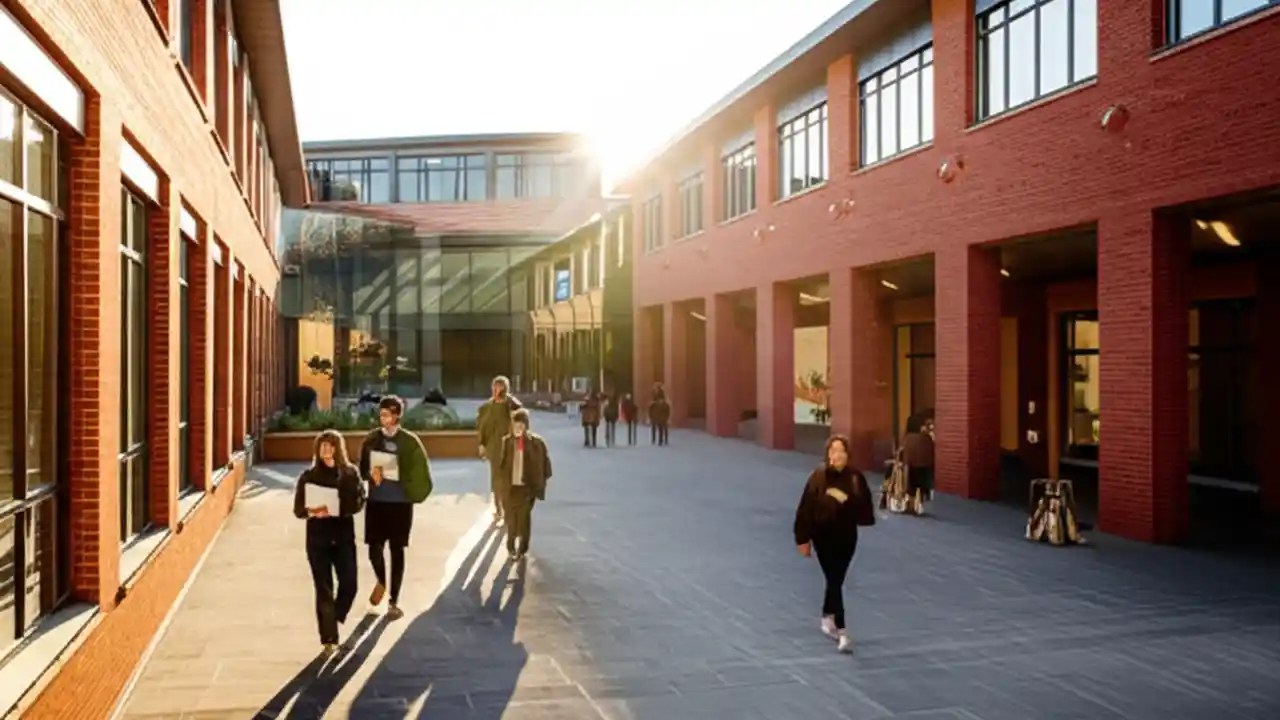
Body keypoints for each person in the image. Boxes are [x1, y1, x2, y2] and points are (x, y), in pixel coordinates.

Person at [794, 435, 875, 654]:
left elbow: (867, 516)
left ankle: (826, 614)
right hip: (822, 536)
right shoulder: (818, 477)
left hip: (847, 537)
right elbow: (805, 510)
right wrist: (802, 539)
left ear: (848, 455)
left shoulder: (856, 478)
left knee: (836, 579)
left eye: (841, 451)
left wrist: (846, 500)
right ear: (828, 454)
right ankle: (842, 629)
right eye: (833, 451)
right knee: (834, 578)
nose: (837, 455)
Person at [360, 395, 434, 620]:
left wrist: (402, 477)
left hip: (400, 504)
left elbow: (419, 472)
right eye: (381, 414)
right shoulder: (371, 439)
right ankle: (381, 581)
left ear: (397, 415)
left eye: (387, 414)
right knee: (374, 547)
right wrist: (369, 474)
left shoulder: (410, 442)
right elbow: (361, 467)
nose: (383, 418)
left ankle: (394, 599)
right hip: (376, 502)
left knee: (397, 550)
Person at [293, 430, 366, 654]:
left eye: (330, 446)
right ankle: (329, 639)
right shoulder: (308, 477)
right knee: (323, 589)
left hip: (343, 538)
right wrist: (312, 511)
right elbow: (298, 510)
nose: (326, 450)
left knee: (350, 584)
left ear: (338, 449)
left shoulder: (350, 474)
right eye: (322, 446)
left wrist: (336, 510)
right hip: (318, 540)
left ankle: (334, 616)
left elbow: (359, 502)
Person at [498, 409, 552, 561]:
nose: (518, 429)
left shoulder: (536, 443)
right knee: (511, 520)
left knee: (524, 519)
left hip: (526, 488)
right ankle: (510, 546)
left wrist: (539, 483)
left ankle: (522, 549)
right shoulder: (507, 442)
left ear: (526, 426)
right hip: (510, 487)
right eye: (516, 425)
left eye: (521, 426)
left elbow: (546, 466)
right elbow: (502, 465)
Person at [477, 376, 523, 524]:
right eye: (495, 387)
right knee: (496, 479)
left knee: (508, 479)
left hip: (510, 447)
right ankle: (498, 508)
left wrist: (510, 401)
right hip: (494, 448)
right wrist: (482, 445)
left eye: (500, 387)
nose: (497, 390)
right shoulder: (487, 407)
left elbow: (522, 422)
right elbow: (482, 427)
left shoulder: (511, 405)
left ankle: (508, 508)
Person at [901, 412, 935, 513]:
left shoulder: (908, 438)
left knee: (911, 484)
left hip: (911, 465)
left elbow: (905, 452)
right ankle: (918, 502)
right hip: (924, 466)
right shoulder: (926, 438)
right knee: (921, 484)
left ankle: (911, 502)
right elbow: (930, 451)